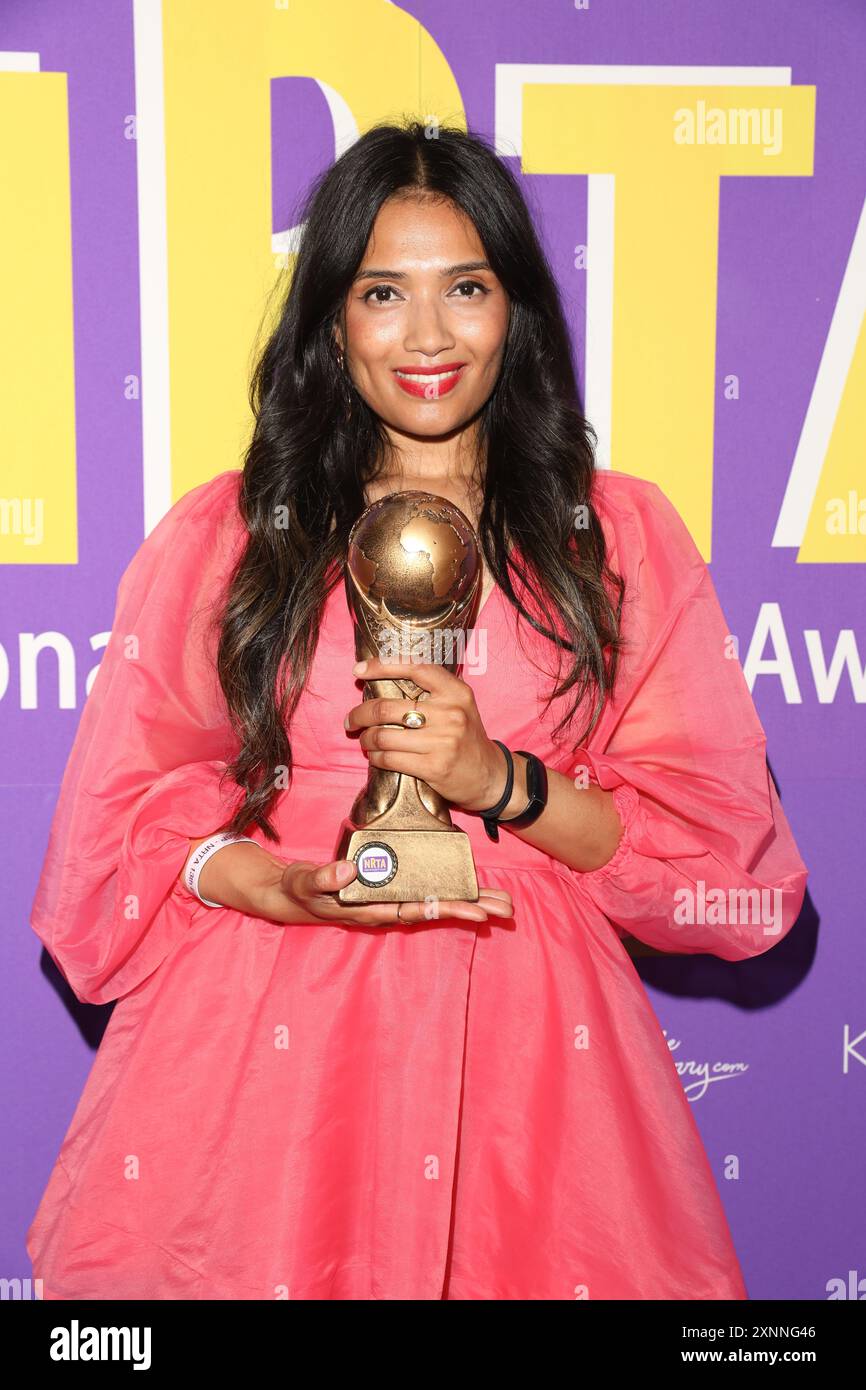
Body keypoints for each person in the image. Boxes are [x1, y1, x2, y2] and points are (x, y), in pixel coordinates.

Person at [27, 121, 808, 1301]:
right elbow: (116, 843)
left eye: (467, 289)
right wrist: (268, 876)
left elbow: (725, 864)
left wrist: (504, 782)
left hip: (535, 1076)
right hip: (269, 1068)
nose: (428, 335)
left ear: (518, 311)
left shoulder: (616, 538)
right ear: (332, 322)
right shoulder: (231, 536)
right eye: (382, 292)